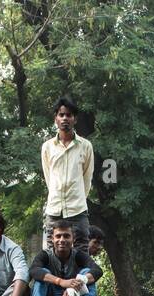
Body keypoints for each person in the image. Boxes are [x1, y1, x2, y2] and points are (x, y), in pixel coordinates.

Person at [26, 220, 100, 296]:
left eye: (66, 236)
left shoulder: (79, 256)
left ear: (73, 239)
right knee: (42, 273)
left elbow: (97, 270)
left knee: (86, 272)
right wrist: (61, 282)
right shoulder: (45, 255)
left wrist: (72, 288)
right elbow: (33, 271)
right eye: (58, 236)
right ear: (52, 239)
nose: (62, 240)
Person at [41, 96, 94, 252]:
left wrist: (77, 199)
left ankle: (79, 278)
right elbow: (49, 178)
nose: (65, 118)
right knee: (52, 253)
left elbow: (87, 178)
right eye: (61, 115)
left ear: (75, 119)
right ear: (56, 119)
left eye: (69, 115)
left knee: (81, 251)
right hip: (54, 209)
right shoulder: (47, 147)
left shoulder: (85, 146)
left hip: (77, 209)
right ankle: (56, 279)